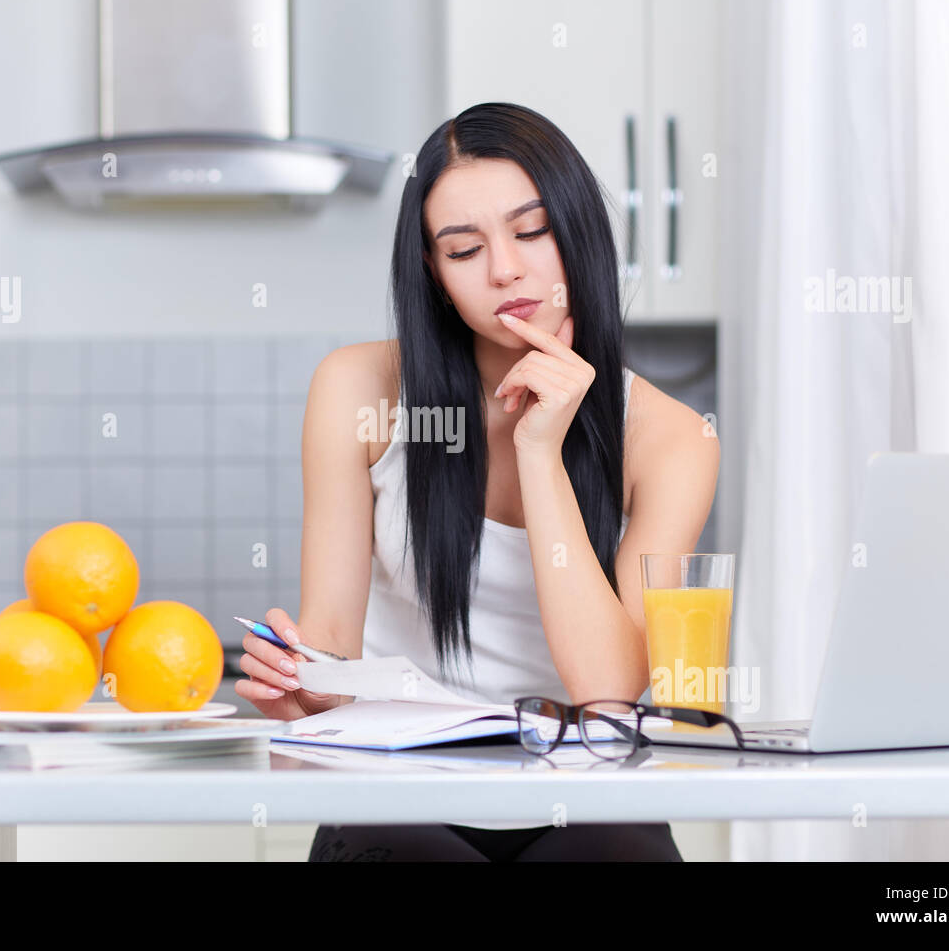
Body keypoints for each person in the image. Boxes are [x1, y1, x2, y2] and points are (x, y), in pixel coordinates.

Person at [237, 102, 719, 861]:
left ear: (579, 229)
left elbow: (610, 692)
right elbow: (328, 650)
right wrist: (296, 685)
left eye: (532, 232)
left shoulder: (673, 438)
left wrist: (540, 451)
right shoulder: (358, 389)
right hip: (398, 790)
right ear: (435, 274)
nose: (505, 269)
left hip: (585, 798)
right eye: (464, 250)